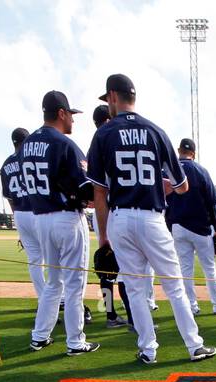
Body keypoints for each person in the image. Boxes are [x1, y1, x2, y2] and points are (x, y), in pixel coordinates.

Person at [85, 73, 216, 364]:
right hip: (152, 217)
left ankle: (148, 349)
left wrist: (103, 237)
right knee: (174, 286)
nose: (108, 104)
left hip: (120, 218)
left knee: (135, 289)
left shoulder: (103, 134)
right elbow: (181, 185)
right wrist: (160, 184)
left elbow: (99, 191)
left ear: (114, 96)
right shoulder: (156, 131)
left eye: (108, 99)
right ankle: (194, 346)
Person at [22, 91, 98, 356]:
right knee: (75, 285)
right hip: (66, 217)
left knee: (54, 282)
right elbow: (86, 187)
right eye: (71, 115)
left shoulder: (27, 144)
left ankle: (40, 336)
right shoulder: (64, 144)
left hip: (40, 218)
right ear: (61, 113)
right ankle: (75, 341)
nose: (73, 122)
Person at [165, 137, 216, 318]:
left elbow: (164, 203)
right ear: (194, 153)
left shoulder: (168, 171)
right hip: (200, 228)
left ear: (178, 151)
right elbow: (213, 203)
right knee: (209, 268)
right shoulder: (200, 170)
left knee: (185, 269)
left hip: (177, 227)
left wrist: (170, 227)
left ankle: (191, 306)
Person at [89, 104, 131, 329]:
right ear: (108, 118)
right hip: (114, 210)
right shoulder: (111, 138)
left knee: (106, 266)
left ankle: (110, 313)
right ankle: (133, 319)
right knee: (123, 269)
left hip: (100, 212)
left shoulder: (94, 142)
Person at [2, 126, 48, 331]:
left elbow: (10, 198)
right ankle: (57, 299)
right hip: (37, 211)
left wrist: (19, 227)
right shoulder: (30, 158)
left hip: (19, 213)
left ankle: (43, 299)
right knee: (56, 257)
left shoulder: (6, 164)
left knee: (34, 261)